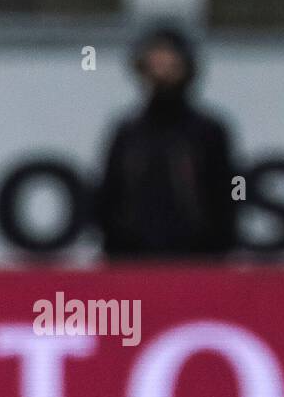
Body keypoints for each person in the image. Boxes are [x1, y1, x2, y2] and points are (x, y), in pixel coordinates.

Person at [96, 26, 237, 258]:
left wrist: (219, 244)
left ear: (186, 68)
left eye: (171, 65)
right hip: (133, 260)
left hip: (198, 261)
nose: (162, 73)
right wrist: (116, 244)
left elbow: (230, 191)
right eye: (155, 64)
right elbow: (108, 195)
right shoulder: (128, 133)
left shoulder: (208, 132)